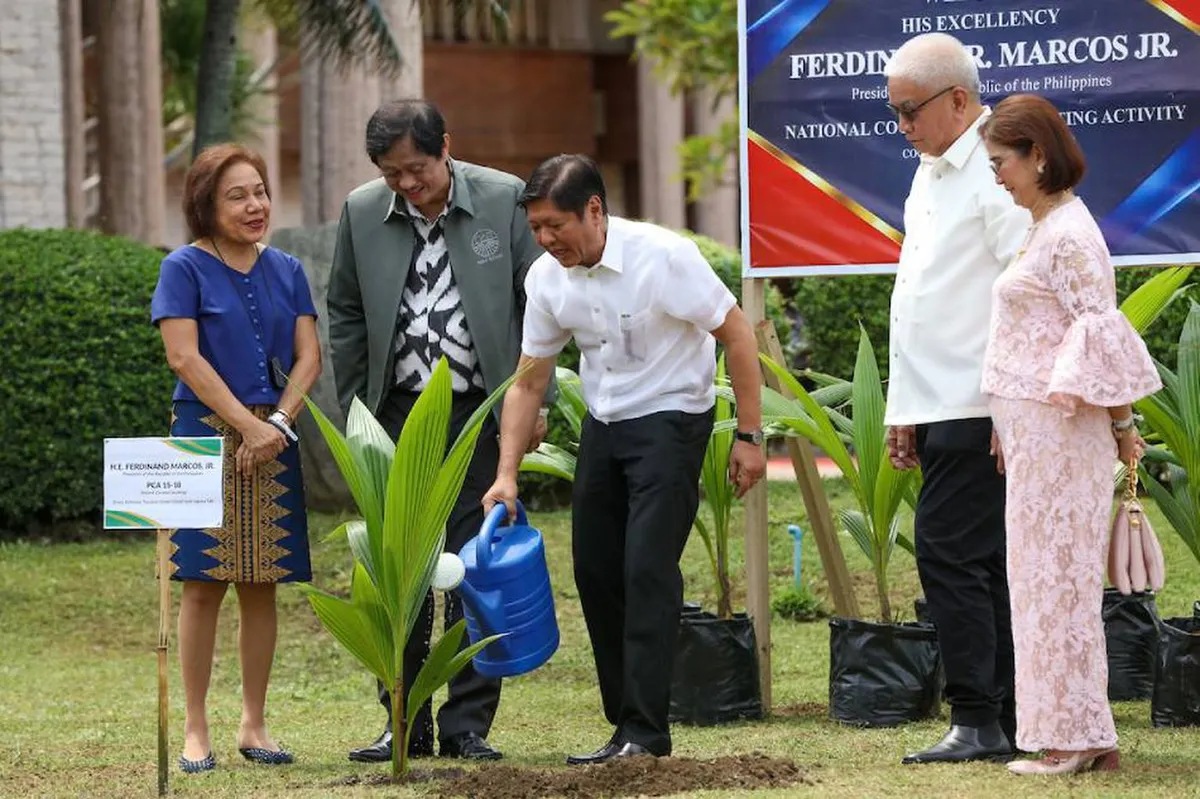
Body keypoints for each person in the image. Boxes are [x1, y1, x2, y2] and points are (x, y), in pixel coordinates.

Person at [482, 154, 767, 765]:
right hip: (605, 424)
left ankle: (646, 731)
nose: (544, 240)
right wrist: (507, 473)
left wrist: (750, 435)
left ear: (594, 209)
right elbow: (529, 381)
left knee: (646, 569)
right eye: (535, 228)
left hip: (671, 421)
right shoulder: (547, 278)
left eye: (554, 225)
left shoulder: (663, 257)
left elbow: (738, 335)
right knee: (595, 571)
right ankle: (624, 727)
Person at [328, 99, 548, 764]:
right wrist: (356, 408)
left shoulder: (504, 200)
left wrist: (531, 403)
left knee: (474, 566)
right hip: (394, 413)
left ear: (445, 146)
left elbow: (541, 308)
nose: (405, 184)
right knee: (400, 570)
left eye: (415, 169)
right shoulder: (362, 211)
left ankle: (467, 725)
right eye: (391, 173)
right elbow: (342, 308)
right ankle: (402, 719)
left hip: (481, 411)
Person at [979, 94, 1161, 776]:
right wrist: (1007, 418)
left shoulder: (1068, 235)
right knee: (1043, 579)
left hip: (1060, 436)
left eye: (1002, 162)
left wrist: (1123, 428)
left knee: (1057, 581)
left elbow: (1099, 335)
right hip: (1036, 432)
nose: (995, 174)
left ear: (1039, 156)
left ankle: (1077, 735)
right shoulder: (1046, 225)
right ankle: (1082, 732)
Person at [881, 33, 1032, 765]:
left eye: (911, 110)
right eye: (895, 112)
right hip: (940, 399)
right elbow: (919, 297)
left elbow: (1022, 294)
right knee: (976, 558)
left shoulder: (997, 171)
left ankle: (980, 715)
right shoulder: (930, 171)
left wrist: (1009, 402)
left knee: (948, 552)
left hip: (983, 400)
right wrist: (902, 406)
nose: (902, 126)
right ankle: (1001, 713)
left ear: (960, 100)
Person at [150, 144, 322, 773]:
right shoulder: (183, 268)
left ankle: (254, 724)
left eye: (261, 192)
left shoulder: (289, 269)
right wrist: (246, 425)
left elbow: (309, 358)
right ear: (205, 203)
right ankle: (195, 730)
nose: (256, 206)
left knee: (261, 584)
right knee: (201, 586)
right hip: (202, 433)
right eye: (237, 195)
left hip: (276, 435)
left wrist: (274, 422)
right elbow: (184, 359)